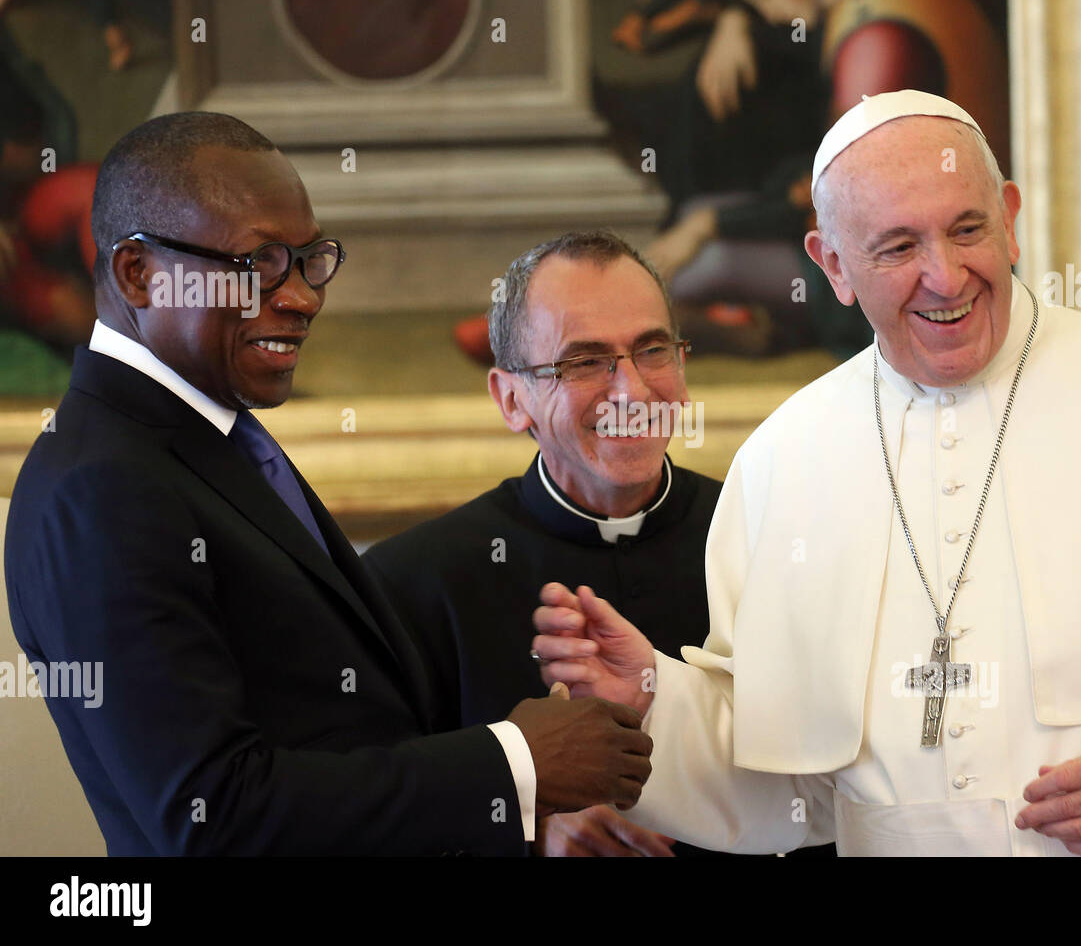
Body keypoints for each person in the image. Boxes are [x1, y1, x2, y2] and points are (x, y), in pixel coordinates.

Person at [531, 90, 1081, 856]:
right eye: (897, 248)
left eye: (967, 230)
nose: (944, 276)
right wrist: (655, 699)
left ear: (1009, 217)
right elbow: (792, 790)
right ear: (832, 264)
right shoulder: (785, 459)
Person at [3, 112, 652, 855]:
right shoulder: (104, 488)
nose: (303, 296)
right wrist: (516, 764)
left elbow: (343, 739)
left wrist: (518, 819)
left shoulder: (208, 439)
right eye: (262, 264)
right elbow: (213, 816)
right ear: (139, 274)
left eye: (312, 260)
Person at [367, 229, 819, 855]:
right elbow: (369, 816)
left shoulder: (777, 540)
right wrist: (525, 825)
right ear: (511, 398)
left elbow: (835, 778)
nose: (632, 391)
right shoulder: (412, 584)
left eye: (653, 350)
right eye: (583, 362)